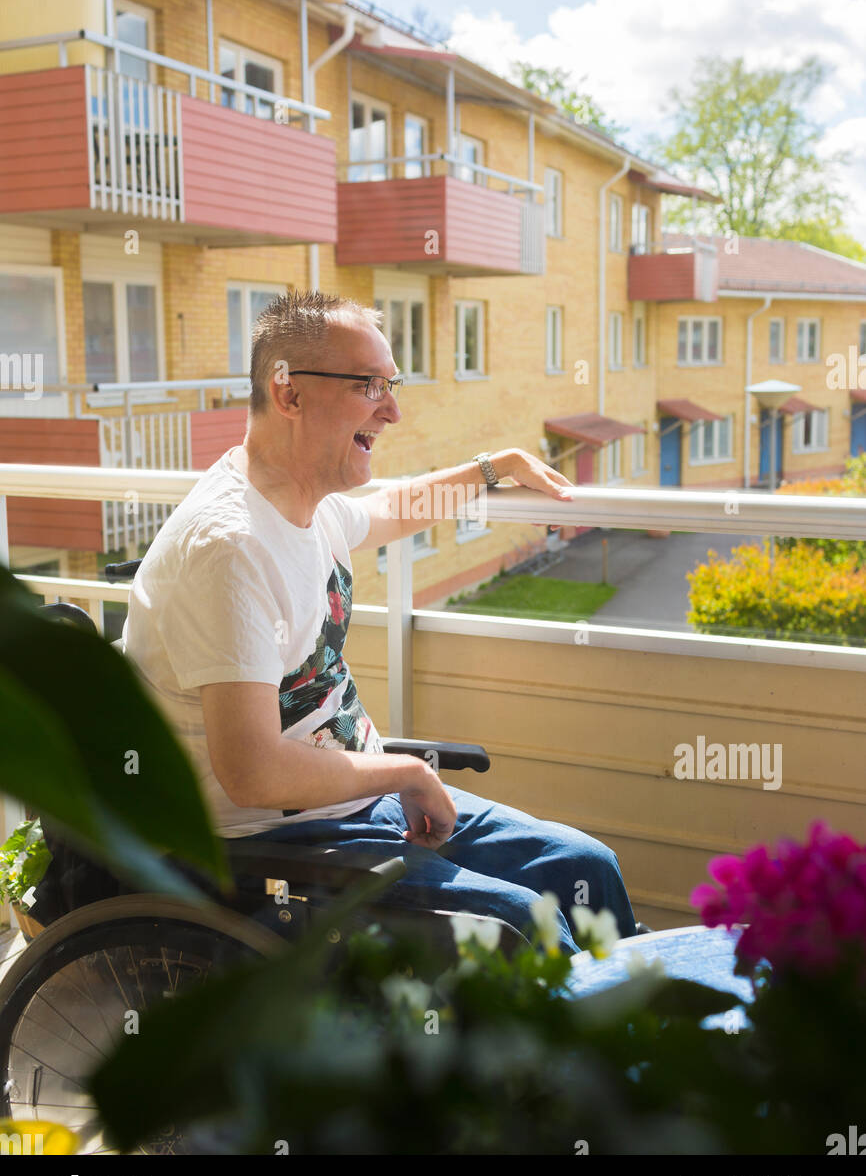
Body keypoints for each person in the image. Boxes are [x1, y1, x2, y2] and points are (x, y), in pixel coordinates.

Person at [122, 291, 637, 953]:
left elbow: (395, 507)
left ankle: (629, 1043)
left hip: (354, 803)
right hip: (270, 845)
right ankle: (572, 1049)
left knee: (584, 866)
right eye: (370, 386)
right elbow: (251, 772)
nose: (393, 410)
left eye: (390, 385)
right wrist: (408, 772)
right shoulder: (229, 547)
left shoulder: (306, 499)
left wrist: (494, 466)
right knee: (523, 925)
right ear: (289, 395)